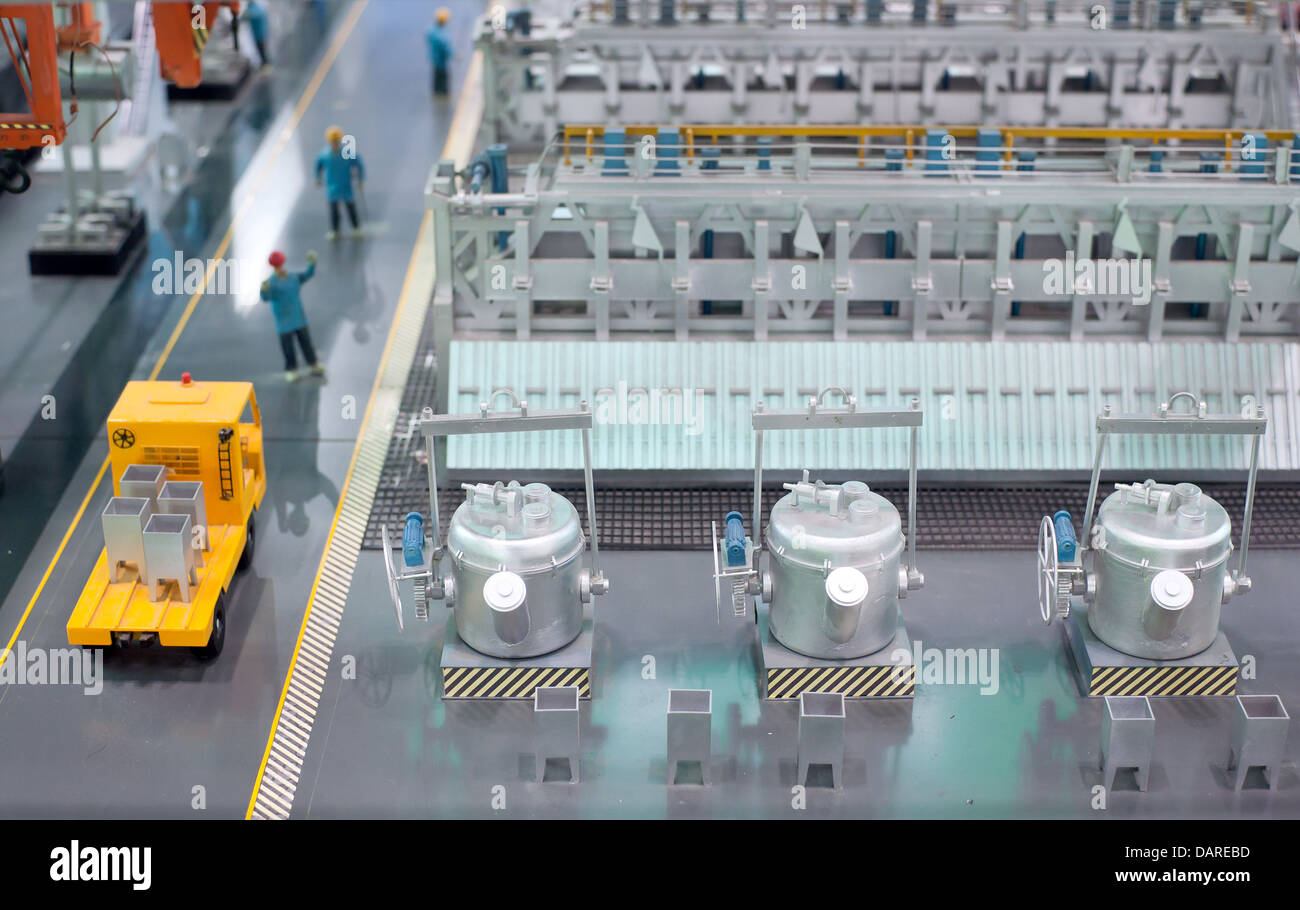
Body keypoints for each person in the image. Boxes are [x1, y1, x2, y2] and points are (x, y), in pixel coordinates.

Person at [260, 250, 325, 382]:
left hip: (293, 318)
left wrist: (312, 264)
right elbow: (265, 297)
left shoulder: (284, 279)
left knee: (305, 343)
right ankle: (292, 368)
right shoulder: (279, 281)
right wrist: (263, 290)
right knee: (289, 347)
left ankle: (311, 365)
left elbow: (308, 274)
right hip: (288, 320)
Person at [315, 126, 365, 239]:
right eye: (333, 142)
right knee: (334, 210)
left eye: (336, 141)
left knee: (350, 207)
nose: (335, 144)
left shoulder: (347, 153)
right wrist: (317, 178)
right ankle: (335, 230)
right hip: (332, 187)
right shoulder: (325, 154)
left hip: (346, 186)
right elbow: (318, 165)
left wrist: (361, 179)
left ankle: (356, 228)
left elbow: (359, 163)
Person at [427, 8, 453, 97]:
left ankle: (436, 92)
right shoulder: (442, 36)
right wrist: (454, 55)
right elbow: (446, 49)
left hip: (434, 58)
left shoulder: (432, 30)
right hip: (441, 61)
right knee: (443, 78)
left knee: (436, 77)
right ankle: (444, 93)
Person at [241, 0, 271, 69]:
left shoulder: (255, 7)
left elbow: (254, 14)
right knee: (259, 50)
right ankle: (263, 66)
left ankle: (266, 67)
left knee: (262, 50)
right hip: (256, 34)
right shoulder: (251, 6)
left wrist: (246, 16)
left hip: (260, 33)